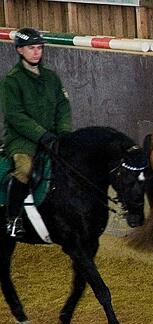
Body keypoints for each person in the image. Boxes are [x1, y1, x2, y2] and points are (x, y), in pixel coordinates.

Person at [1, 27, 71, 238]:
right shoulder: (12, 81)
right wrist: (41, 134)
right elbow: (15, 116)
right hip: (22, 140)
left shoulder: (51, 78)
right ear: (20, 50)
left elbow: (63, 107)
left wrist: (64, 132)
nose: (36, 53)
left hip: (52, 136)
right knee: (25, 169)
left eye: (39, 48)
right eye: (31, 48)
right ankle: (13, 219)